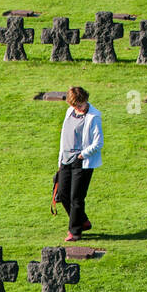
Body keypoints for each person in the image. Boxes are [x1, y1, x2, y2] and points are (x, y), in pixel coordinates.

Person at [55, 86, 102, 242]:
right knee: (62, 193)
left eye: (80, 105)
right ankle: (82, 221)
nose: (78, 109)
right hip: (66, 159)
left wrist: (82, 155)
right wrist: (60, 159)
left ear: (85, 100)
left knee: (76, 197)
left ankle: (75, 231)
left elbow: (98, 143)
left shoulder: (93, 117)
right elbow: (64, 136)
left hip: (82, 162)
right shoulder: (70, 112)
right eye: (75, 106)